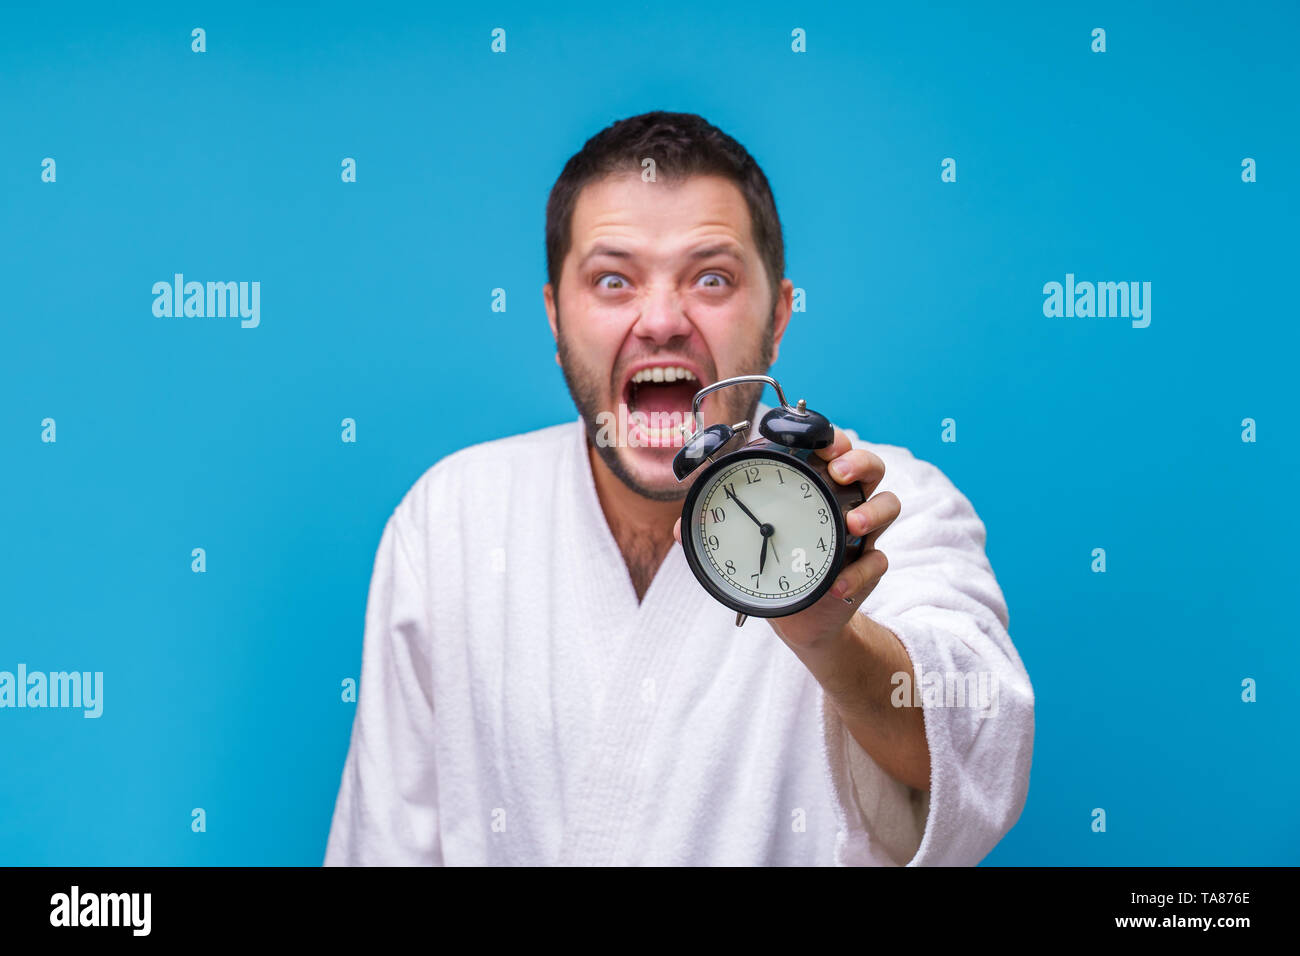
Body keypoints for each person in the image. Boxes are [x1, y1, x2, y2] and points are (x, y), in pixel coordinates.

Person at [324, 111, 1034, 866]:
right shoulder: (450, 520)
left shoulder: (881, 505)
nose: (661, 320)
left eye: (712, 278)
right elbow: (385, 842)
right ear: (555, 317)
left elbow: (979, 745)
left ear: (779, 316)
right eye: (612, 280)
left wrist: (829, 638)